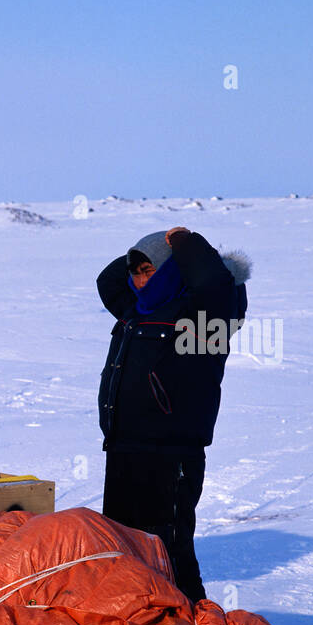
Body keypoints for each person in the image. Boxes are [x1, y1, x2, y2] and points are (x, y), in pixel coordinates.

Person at [95, 226, 251, 602]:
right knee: (126, 549)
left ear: (173, 271)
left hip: (170, 455)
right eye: (138, 271)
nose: (140, 279)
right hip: (123, 449)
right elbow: (108, 280)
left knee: (170, 550)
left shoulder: (205, 319)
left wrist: (184, 241)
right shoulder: (138, 310)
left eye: (151, 270)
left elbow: (212, 280)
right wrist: (146, 248)